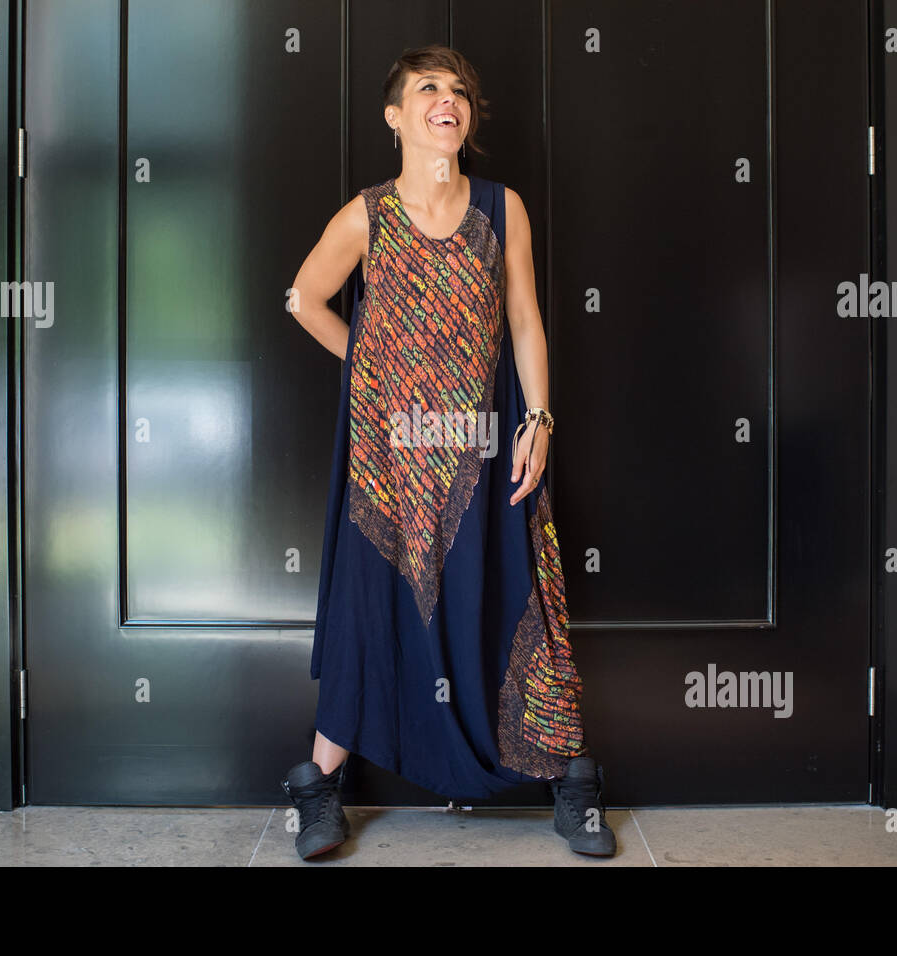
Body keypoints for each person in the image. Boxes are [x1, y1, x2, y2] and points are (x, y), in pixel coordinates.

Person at [283, 44, 615, 861]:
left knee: (518, 596)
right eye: (428, 88)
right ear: (397, 116)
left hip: (487, 442)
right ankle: (318, 783)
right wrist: (376, 371)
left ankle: (572, 781)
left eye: (460, 91)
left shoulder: (502, 208)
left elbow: (527, 318)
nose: (448, 100)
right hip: (389, 455)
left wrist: (539, 417)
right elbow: (304, 298)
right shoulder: (368, 214)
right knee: (372, 602)